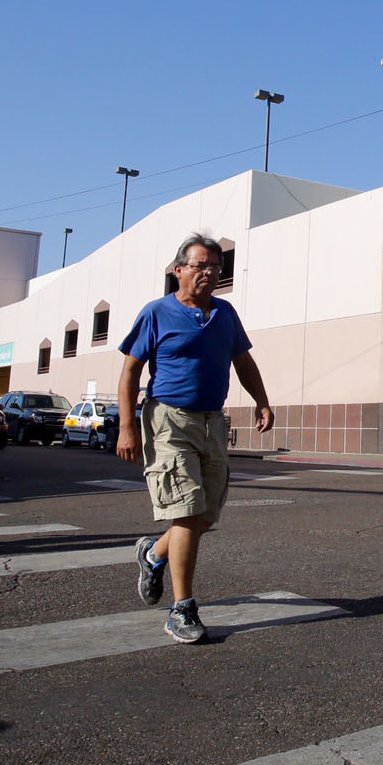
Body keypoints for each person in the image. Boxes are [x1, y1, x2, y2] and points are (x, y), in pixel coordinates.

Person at [118, 233, 274, 643]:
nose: (209, 274)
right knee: (186, 513)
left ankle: (153, 554)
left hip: (212, 422)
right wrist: (126, 426)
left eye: (216, 268)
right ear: (179, 270)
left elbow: (244, 361)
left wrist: (262, 400)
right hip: (168, 420)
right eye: (201, 266)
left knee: (205, 516)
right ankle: (181, 609)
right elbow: (130, 372)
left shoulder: (225, 314)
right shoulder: (157, 313)